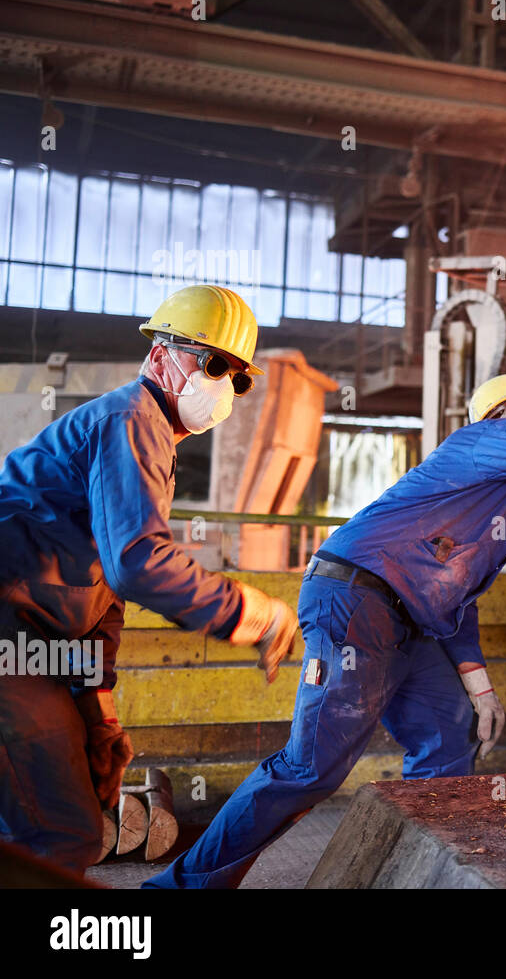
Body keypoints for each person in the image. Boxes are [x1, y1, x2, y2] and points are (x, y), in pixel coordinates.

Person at [146, 372, 506, 888]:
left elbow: (456, 599)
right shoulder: (481, 440)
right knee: (309, 770)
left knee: (448, 737)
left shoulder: (499, 505)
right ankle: (181, 889)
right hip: (355, 603)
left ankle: (419, 877)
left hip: (407, 623)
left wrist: (480, 688)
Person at [0, 285, 300, 874]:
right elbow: (137, 562)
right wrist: (248, 612)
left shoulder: (152, 444)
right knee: (57, 835)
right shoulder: (129, 418)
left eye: (236, 377)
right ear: (161, 353)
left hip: (33, 649)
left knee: (68, 827)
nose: (222, 386)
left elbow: (101, 596)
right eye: (211, 363)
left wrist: (99, 705)